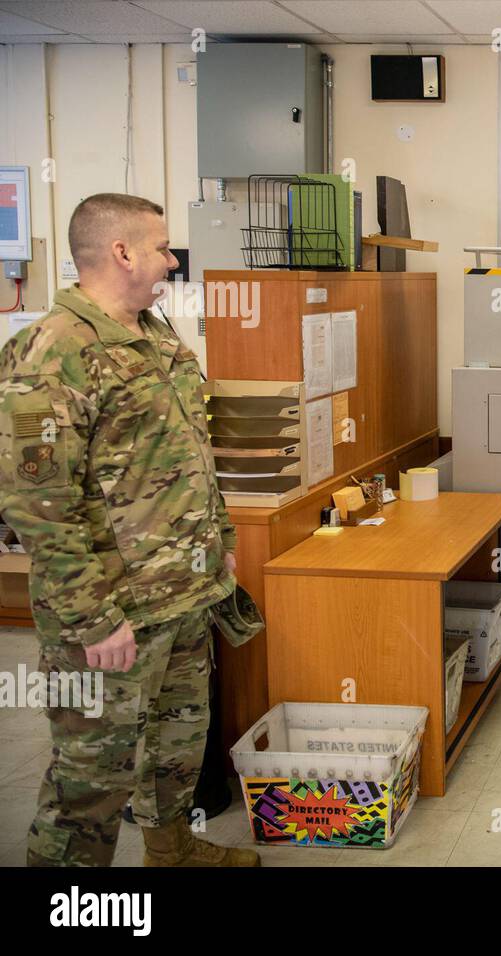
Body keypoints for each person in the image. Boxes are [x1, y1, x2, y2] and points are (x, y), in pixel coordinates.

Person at [0, 193, 258, 866]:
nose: (171, 260)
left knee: (175, 748)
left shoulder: (154, 331)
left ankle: (171, 852)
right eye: (163, 247)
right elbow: (36, 502)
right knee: (90, 782)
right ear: (122, 252)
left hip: (181, 594)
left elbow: (190, 450)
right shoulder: (53, 351)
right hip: (111, 615)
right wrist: (92, 618)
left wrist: (219, 549)